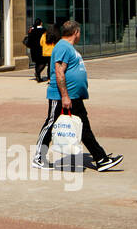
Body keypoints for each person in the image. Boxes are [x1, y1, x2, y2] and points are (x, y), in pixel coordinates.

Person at [32, 21, 123, 172]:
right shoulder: (62, 46)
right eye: (79, 32)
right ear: (76, 32)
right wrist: (65, 96)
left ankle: (101, 159)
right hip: (61, 96)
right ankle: (38, 157)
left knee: (84, 128)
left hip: (74, 96)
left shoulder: (68, 48)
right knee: (51, 123)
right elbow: (59, 72)